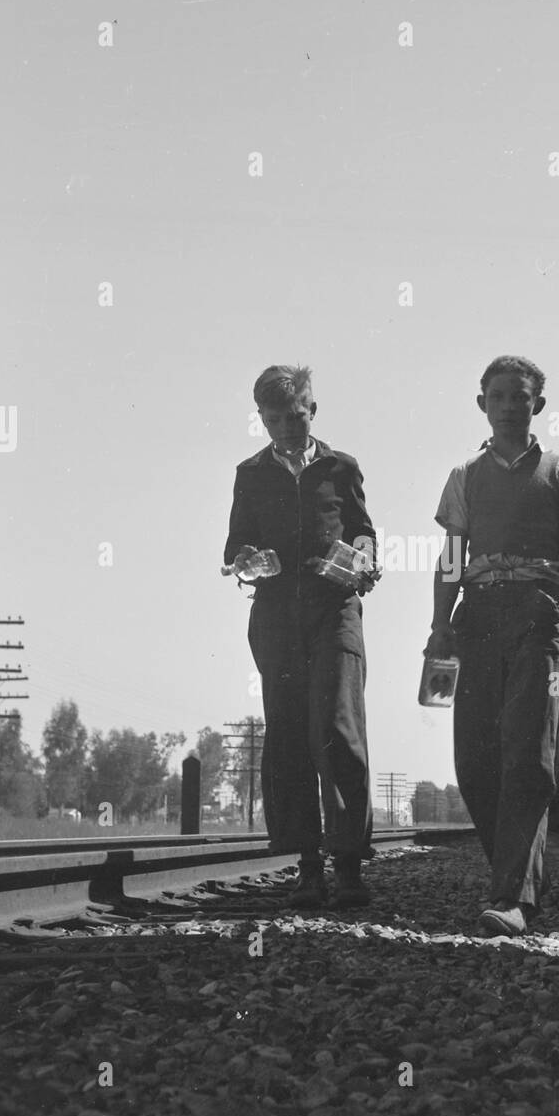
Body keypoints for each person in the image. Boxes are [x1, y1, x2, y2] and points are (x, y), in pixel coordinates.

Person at [425, 355, 559, 936]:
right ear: (482, 404)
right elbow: (452, 556)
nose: (508, 406)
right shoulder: (465, 475)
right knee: (475, 763)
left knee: (528, 755)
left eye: (520, 397)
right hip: (476, 617)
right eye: (497, 396)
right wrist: (439, 623)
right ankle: (520, 876)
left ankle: (512, 898)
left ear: (537, 405)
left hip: (539, 617)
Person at [224, 365, 379, 909]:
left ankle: (349, 866)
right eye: (273, 419)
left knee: (337, 726)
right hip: (275, 618)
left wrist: (362, 558)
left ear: (313, 410)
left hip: (335, 612)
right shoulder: (250, 474)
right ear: (261, 419)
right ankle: (308, 867)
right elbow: (235, 546)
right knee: (288, 734)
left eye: (295, 416)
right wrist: (247, 559)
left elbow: (364, 532)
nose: (286, 428)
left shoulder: (341, 468)